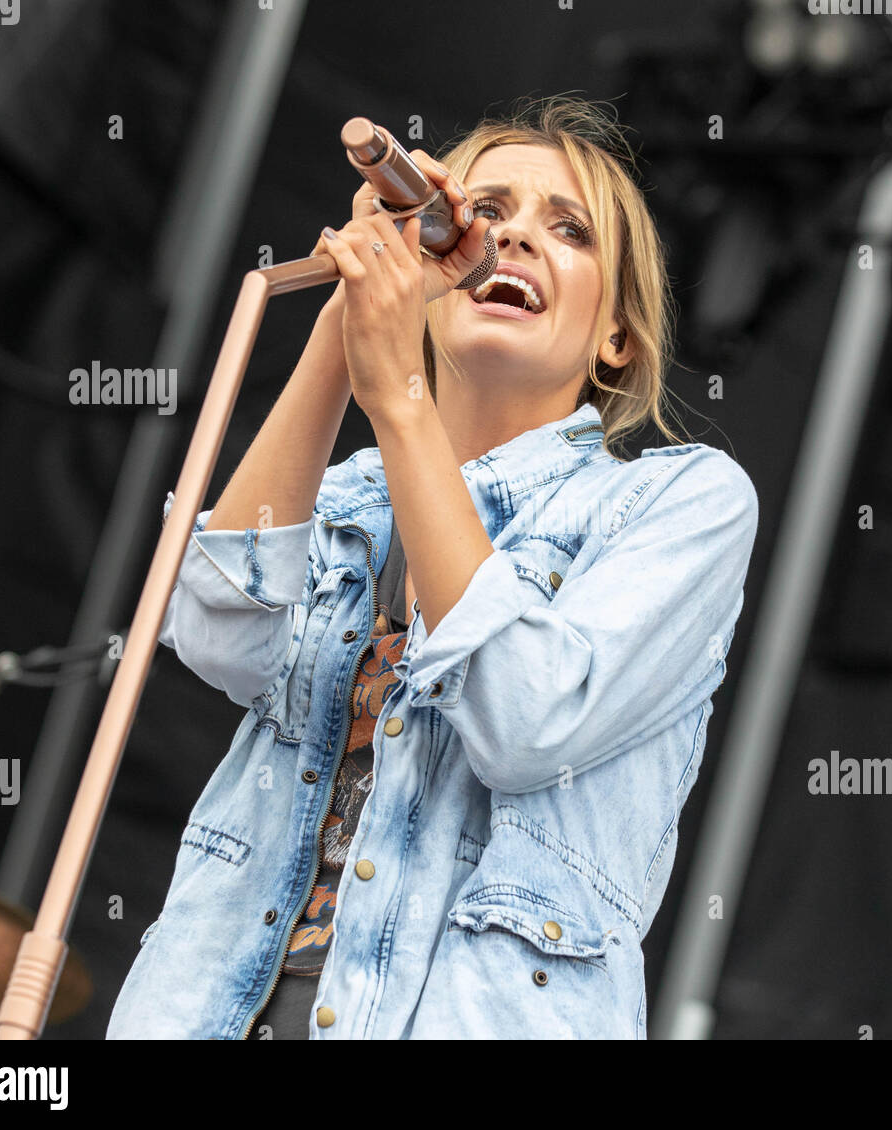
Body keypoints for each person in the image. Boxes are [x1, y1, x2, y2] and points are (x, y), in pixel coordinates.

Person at [107, 94, 758, 1040]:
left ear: (617, 336)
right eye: (484, 211)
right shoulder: (347, 493)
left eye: (567, 230)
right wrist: (348, 315)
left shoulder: (676, 501)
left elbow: (523, 718)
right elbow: (215, 637)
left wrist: (401, 400)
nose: (514, 238)